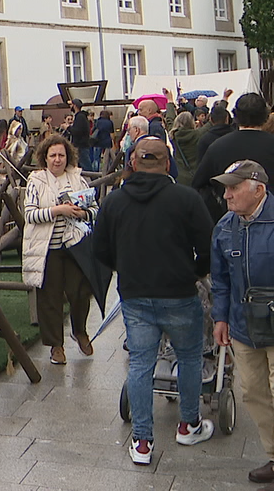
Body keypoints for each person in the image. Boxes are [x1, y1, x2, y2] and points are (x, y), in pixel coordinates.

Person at [93, 138, 215, 466]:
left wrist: (126, 268)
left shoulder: (114, 202)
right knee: (189, 358)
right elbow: (208, 245)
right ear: (167, 163)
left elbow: (101, 251)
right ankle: (189, 424)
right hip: (178, 292)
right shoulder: (185, 198)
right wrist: (194, 272)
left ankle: (143, 441)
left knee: (140, 363)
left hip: (136, 294)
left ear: (132, 162)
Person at [210, 160, 274, 489]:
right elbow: (219, 280)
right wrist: (220, 317)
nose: (226, 194)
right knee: (253, 391)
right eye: (226, 187)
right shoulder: (224, 226)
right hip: (242, 322)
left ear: (258, 189)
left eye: (234, 187)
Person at [23, 135, 96, 365]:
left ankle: (80, 330)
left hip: (74, 246)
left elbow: (94, 208)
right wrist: (58, 210)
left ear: (68, 157)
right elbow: (30, 214)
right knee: (50, 298)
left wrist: (81, 212)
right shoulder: (36, 181)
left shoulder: (77, 178)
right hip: (48, 249)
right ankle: (56, 345)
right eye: (53, 155)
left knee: (80, 292)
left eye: (61, 155)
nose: (57, 160)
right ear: (45, 157)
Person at [193, 93, 274, 222]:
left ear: (235, 116)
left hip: (230, 219)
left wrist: (219, 208)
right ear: (266, 116)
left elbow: (199, 185)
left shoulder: (217, 147)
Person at [170, 112, 204, 187]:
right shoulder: (198, 135)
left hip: (180, 175)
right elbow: (210, 125)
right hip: (196, 174)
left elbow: (169, 120)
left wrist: (170, 102)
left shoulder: (173, 136)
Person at [68, 100, 94, 172]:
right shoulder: (82, 117)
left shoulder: (79, 117)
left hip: (80, 145)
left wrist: (68, 128)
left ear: (75, 106)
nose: (70, 107)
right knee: (81, 165)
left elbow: (77, 131)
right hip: (82, 144)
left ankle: (94, 180)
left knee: (85, 165)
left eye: (71, 105)